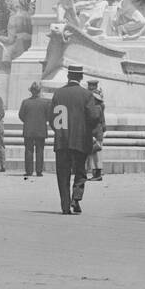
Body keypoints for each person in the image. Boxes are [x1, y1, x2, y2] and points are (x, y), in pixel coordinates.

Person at [51, 65, 103, 214]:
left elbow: (52, 118)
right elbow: (93, 117)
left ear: (68, 76)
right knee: (80, 172)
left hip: (61, 141)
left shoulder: (58, 94)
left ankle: (65, 206)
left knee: (63, 174)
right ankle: (76, 197)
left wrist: (60, 132)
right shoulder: (86, 95)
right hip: (80, 140)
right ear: (80, 78)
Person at [18, 81, 51, 178]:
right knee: (40, 151)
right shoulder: (45, 103)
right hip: (41, 129)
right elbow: (48, 116)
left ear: (31, 91)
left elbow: (21, 115)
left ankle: (29, 171)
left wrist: (28, 122)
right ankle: (39, 171)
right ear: (39, 91)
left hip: (29, 129)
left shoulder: (25, 102)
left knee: (28, 150)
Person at [86, 79, 106, 181]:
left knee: (95, 154)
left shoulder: (96, 107)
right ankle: (96, 173)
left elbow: (94, 119)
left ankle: (97, 174)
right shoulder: (100, 106)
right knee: (95, 154)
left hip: (95, 132)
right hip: (98, 131)